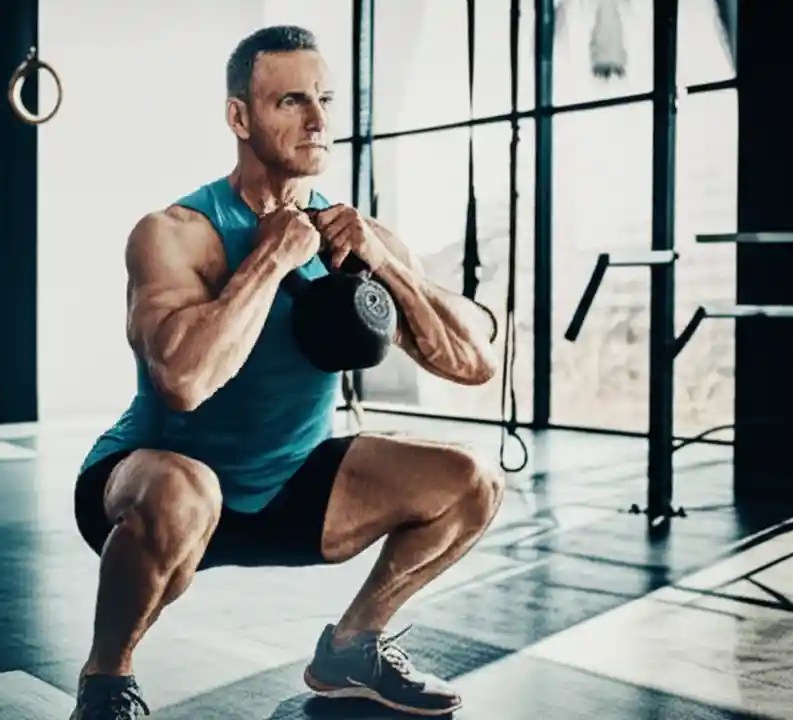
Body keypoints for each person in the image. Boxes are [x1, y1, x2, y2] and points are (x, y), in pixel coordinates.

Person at [70, 25, 506, 720]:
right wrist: (271, 259)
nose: (319, 121)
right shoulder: (175, 232)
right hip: (157, 486)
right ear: (239, 116)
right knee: (187, 490)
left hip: (292, 483)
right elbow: (181, 382)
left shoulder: (355, 232)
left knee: (472, 480)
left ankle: (352, 647)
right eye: (292, 101)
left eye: (326, 99)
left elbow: (474, 364)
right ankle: (106, 679)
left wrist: (384, 262)